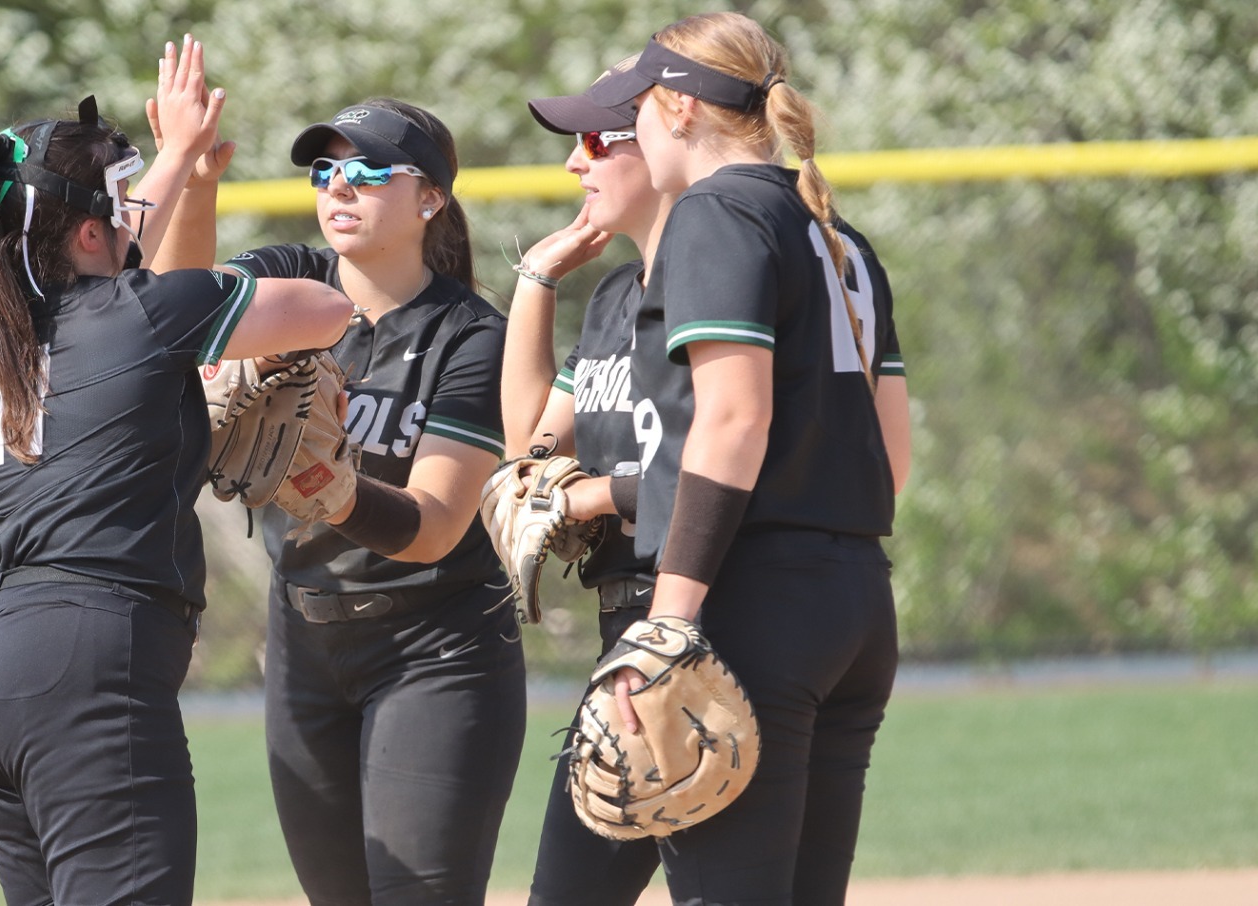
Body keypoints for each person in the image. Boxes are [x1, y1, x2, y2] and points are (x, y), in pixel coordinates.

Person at [0, 37, 354, 906]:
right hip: (83, 654)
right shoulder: (147, 310)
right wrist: (254, 271)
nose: (138, 220)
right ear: (89, 228)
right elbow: (328, 309)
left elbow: (121, 258)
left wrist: (180, 159)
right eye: (124, 207)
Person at [576, 12, 913, 905]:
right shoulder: (838, 234)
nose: (633, 127)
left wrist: (669, 623)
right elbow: (894, 449)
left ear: (680, 111)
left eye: (639, 107)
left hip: (752, 601)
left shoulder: (717, 211)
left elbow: (733, 419)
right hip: (853, 601)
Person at [220, 99, 519, 905]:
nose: (339, 187)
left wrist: (328, 487)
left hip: (436, 647)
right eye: (325, 170)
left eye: (368, 170)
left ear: (430, 199)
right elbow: (168, 311)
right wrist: (189, 172)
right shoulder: (292, 281)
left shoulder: (472, 335)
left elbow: (433, 528)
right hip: (303, 646)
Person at [500, 58, 676, 906]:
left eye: (597, 142)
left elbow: (722, 468)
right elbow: (531, 445)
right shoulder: (613, 298)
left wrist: (590, 498)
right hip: (625, 633)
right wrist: (536, 281)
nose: (575, 163)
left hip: (701, 619)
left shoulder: (717, 283)